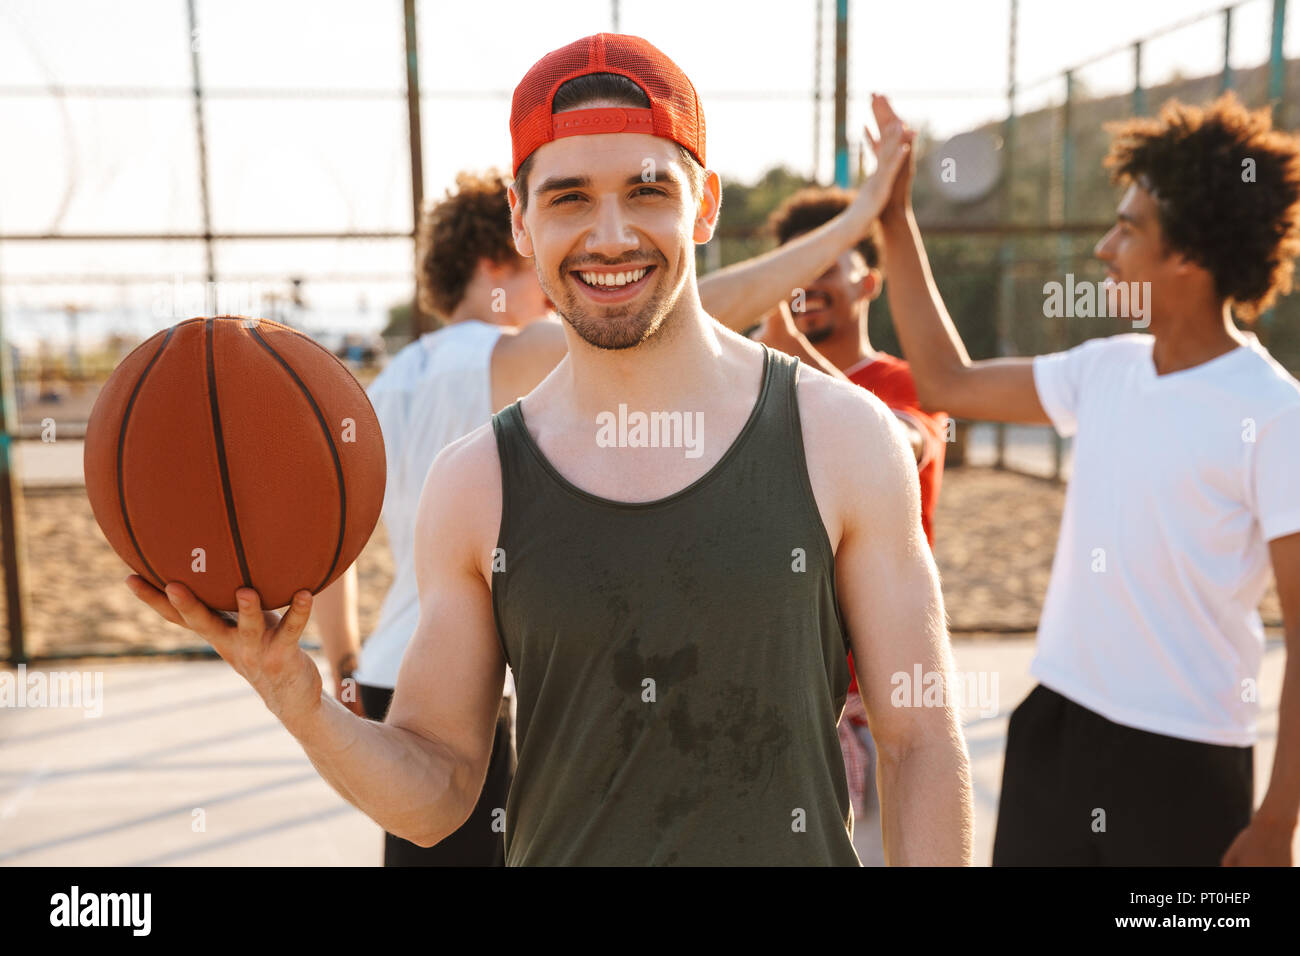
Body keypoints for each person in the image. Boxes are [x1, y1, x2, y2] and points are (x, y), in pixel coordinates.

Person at [128, 33, 973, 866]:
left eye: (647, 191)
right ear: (520, 222)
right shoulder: (478, 482)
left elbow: (921, 744)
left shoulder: (841, 436)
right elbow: (438, 793)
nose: (610, 235)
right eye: (569, 197)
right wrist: (299, 698)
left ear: (704, 203)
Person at [868, 91, 1300, 865]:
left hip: (1186, 763)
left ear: (1189, 256)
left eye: (1129, 229)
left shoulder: (1275, 415)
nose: (1105, 247)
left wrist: (1276, 822)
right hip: (1057, 730)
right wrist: (894, 220)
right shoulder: (1106, 368)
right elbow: (945, 382)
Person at [313, 169, 566, 866]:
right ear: (494, 261)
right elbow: (678, 327)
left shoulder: (382, 387)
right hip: (470, 681)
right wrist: (842, 233)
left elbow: (332, 547)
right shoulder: (516, 354)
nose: (551, 289)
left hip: (394, 667)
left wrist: (343, 664)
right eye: (535, 262)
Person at [694, 186, 949, 859]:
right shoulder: (752, 384)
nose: (807, 282)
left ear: (867, 279)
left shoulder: (902, 380)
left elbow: (908, 440)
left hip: (868, 705)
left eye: (828, 263)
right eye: (795, 268)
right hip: (770, 693)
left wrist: (792, 356)